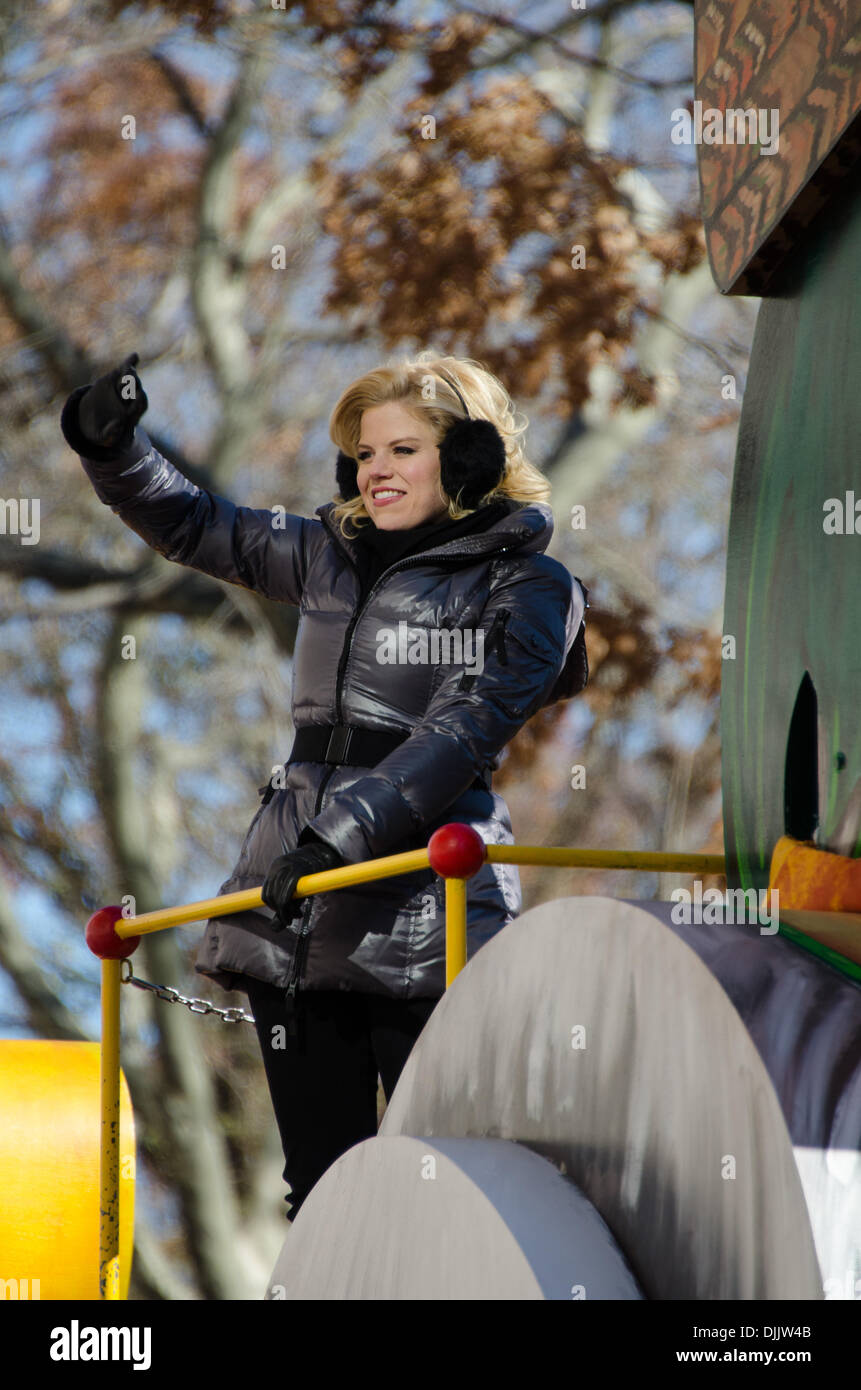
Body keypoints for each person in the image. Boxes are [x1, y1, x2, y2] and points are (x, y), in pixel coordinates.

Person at [61, 349, 588, 1220]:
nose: (376, 471)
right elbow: (194, 523)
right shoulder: (321, 554)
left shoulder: (530, 585)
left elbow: (466, 724)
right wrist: (110, 445)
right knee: (321, 1194)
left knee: (446, 1185)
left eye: (403, 450)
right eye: (365, 453)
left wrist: (338, 838)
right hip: (296, 908)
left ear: (468, 459)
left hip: (429, 907)